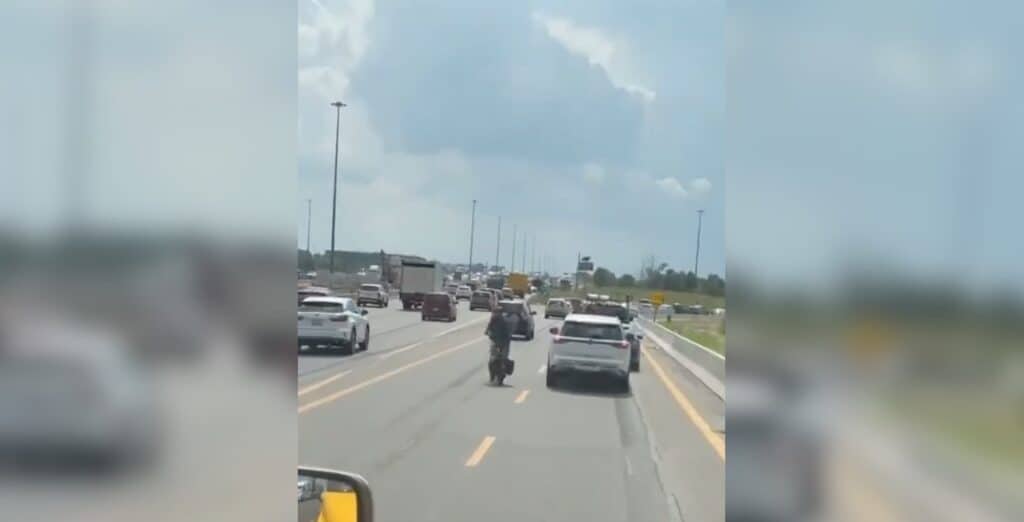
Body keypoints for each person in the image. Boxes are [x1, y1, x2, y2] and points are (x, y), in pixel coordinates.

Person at [485, 308, 512, 383]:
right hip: (497, 342)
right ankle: (492, 374)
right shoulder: (493, 320)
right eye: (495, 313)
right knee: (493, 359)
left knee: (503, 358)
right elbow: (487, 329)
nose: (495, 314)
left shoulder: (504, 321)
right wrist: (488, 332)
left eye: (497, 313)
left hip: (503, 342)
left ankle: (502, 371)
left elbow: (508, 332)